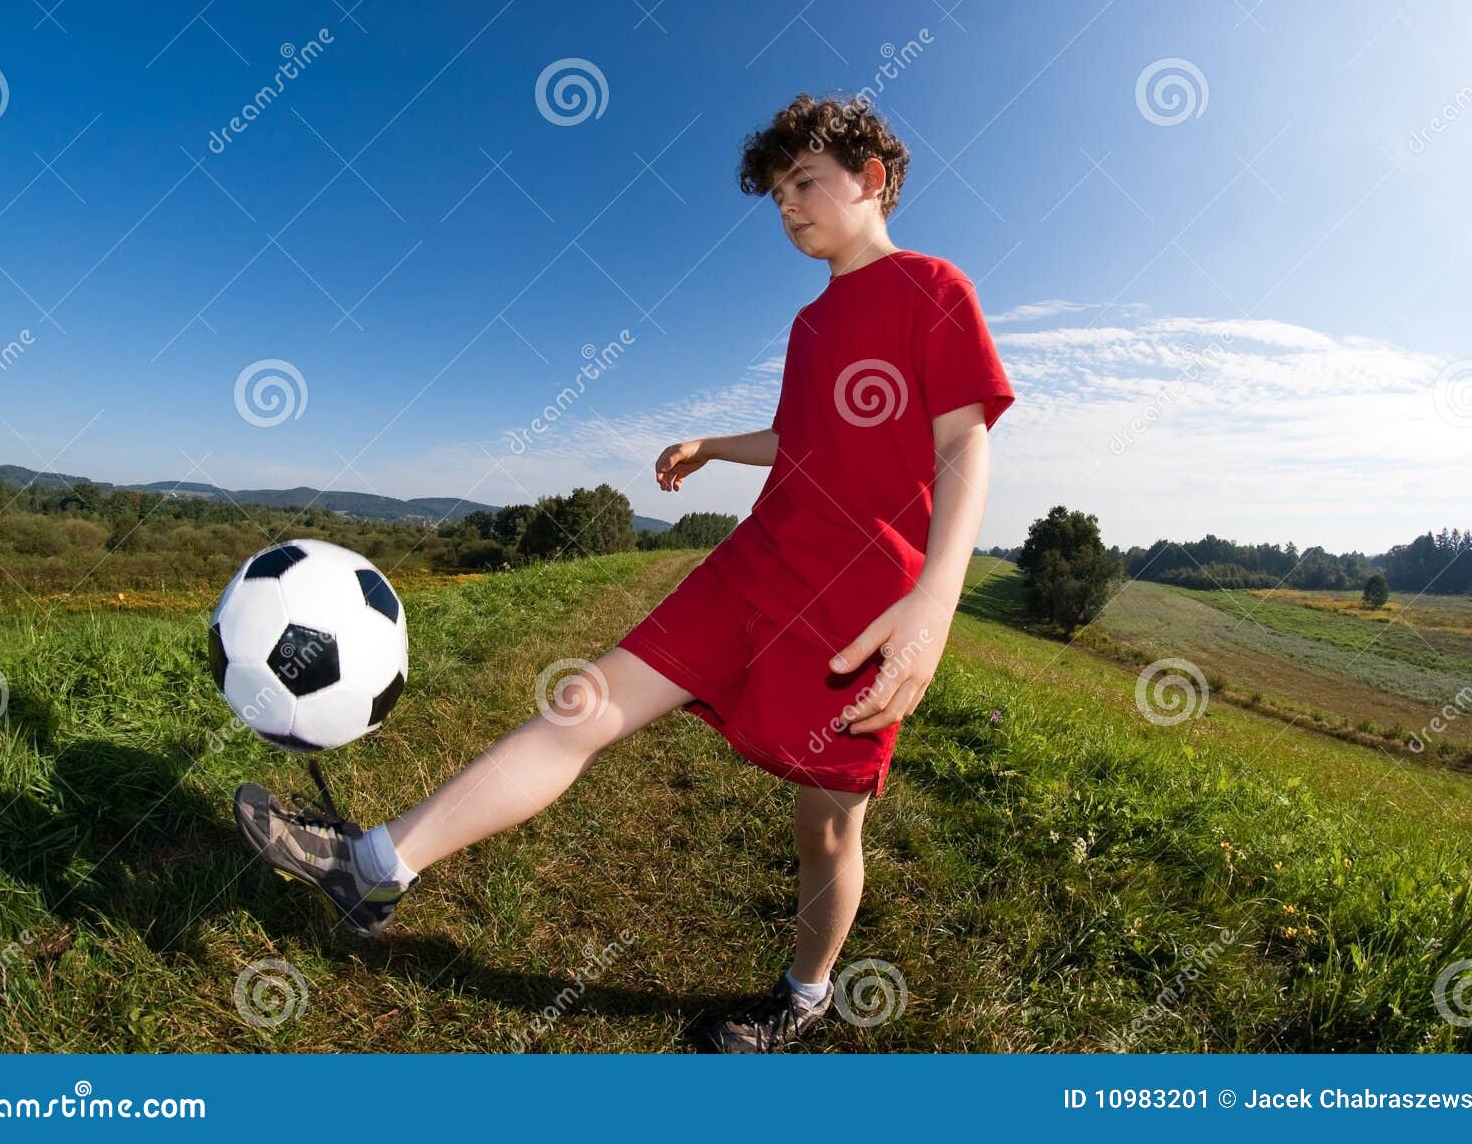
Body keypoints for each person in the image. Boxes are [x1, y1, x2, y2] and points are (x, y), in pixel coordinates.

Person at [233, 91, 1016, 1053]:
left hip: (859, 606)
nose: (787, 206)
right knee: (584, 705)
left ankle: (802, 996)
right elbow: (804, 438)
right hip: (754, 567)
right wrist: (717, 446)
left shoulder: (934, 288)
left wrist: (932, 603)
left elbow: (963, 446)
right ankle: (376, 863)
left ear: (873, 181)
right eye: (776, 193)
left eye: (804, 182)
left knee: (827, 832)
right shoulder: (812, 325)